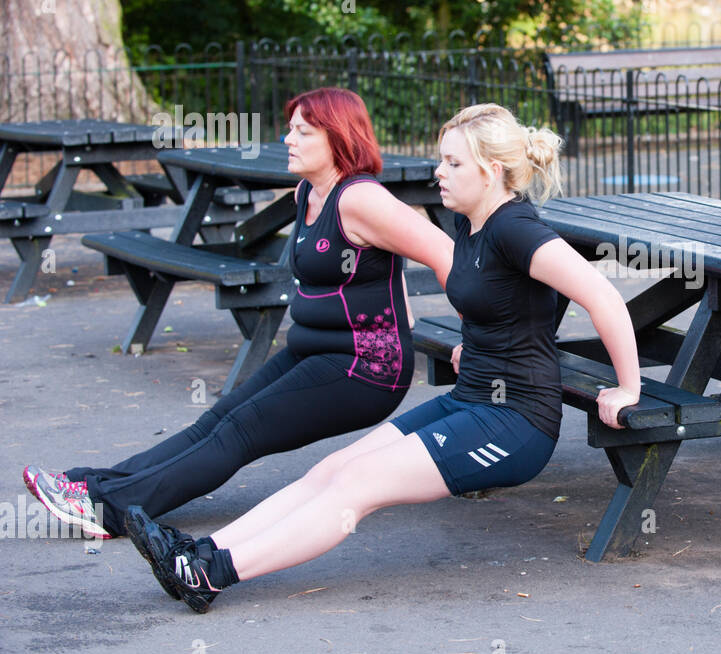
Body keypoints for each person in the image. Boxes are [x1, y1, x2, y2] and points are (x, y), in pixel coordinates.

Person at [125, 103, 642, 612]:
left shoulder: (516, 229)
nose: (439, 172)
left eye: (453, 164)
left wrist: (628, 389)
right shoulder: (471, 224)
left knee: (358, 485)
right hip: (472, 398)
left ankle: (210, 574)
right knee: (334, 467)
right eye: (441, 159)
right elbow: (510, 301)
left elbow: (601, 296)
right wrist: (477, 343)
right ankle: (201, 552)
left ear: (491, 172)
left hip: (516, 424)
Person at [23, 87, 455, 538]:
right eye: (290, 129)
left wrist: (472, 338)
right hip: (314, 351)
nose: (288, 139)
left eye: (302, 132)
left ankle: (107, 512)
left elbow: (444, 252)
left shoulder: (360, 199)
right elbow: (384, 272)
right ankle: (93, 486)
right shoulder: (307, 192)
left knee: (240, 433)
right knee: (214, 421)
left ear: (338, 138)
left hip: (365, 369)